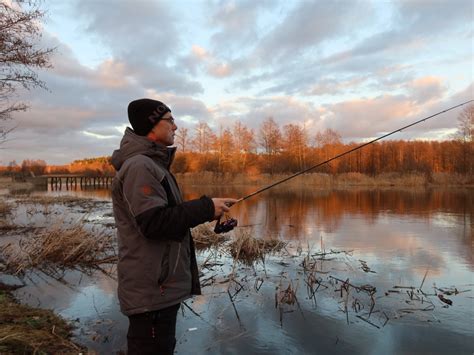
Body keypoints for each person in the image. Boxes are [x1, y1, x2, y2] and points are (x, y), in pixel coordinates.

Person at [111, 98, 237, 354]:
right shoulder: (140, 166)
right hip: (151, 290)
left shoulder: (151, 164)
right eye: (170, 120)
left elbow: (166, 214)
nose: (176, 126)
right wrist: (204, 207)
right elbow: (154, 223)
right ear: (152, 125)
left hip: (156, 288)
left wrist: (209, 210)